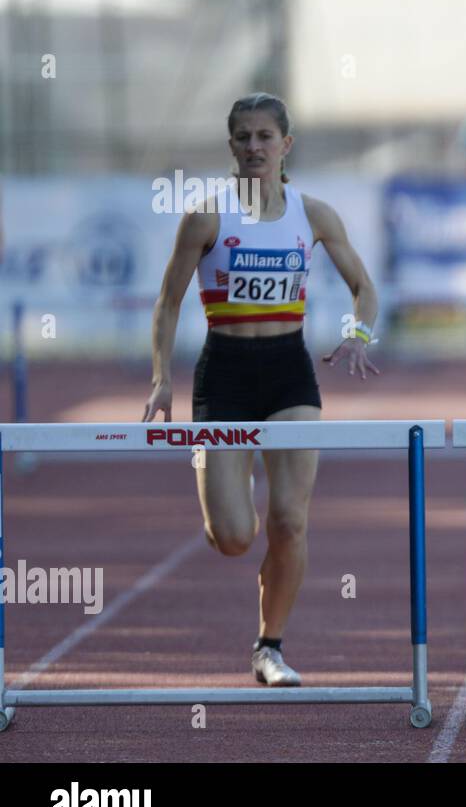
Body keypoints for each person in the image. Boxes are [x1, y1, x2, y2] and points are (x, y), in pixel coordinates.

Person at [143, 93, 381, 686]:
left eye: (264, 137)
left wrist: (358, 335)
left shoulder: (315, 215)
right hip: (222, 373)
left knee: (290, 522)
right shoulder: (206, 217)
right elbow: (168, 302)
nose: (253, 147)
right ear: (231, 147)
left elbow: (364, 288)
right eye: (243, 137)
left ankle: (269, 646)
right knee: (232, 537)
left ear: (285, 146)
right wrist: (160, 379)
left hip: (288, 374)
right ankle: (223, 482)